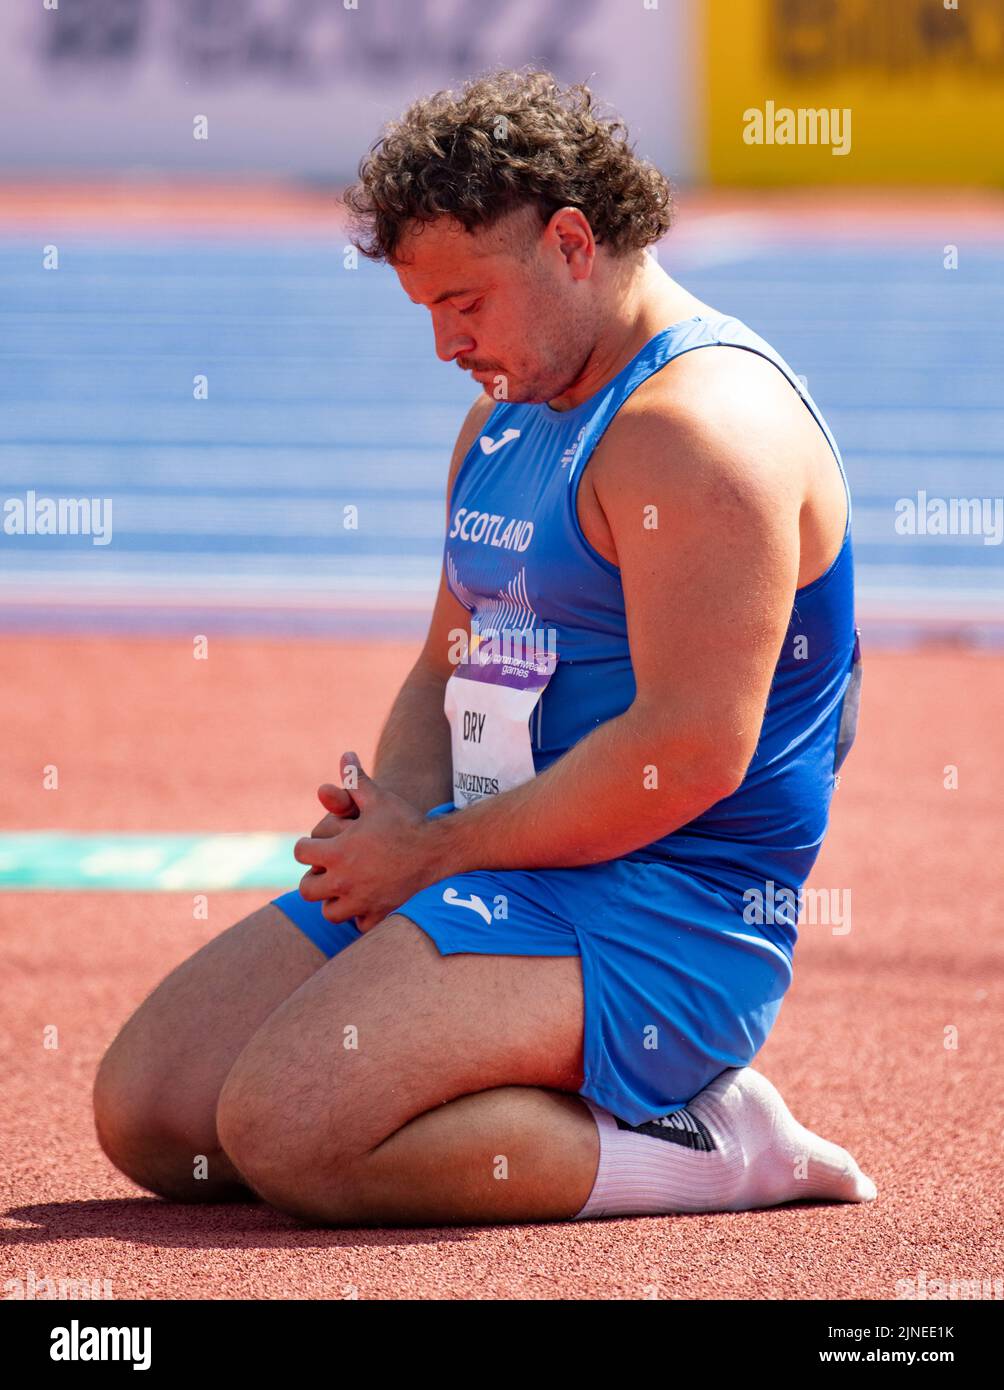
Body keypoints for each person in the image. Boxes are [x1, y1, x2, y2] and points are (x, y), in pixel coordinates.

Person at [93, 69, 874, 1226]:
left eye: (463, 301)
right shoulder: (507, 410)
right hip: (496, 862)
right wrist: (394, 821)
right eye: (424, 310)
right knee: (156, 1115)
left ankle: (709, 1144)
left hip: (667, 909)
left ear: (570, 242)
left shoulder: (697, 436)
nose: (445, 343)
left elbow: (693, 749)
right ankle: (485, 1059)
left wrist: (439, 851)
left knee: (290, 1130)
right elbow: (443, 661)